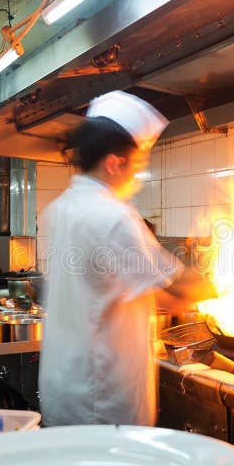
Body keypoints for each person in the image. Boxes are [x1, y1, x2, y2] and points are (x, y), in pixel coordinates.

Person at [39, 91, 215, 427]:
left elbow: (113, 285)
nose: (137, 177)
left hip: (64, 387)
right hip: (101, 398)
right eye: (137, 166)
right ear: (114, 162)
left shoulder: (62, 208)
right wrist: (222, 285)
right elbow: (180, 287)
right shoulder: (113, 215)